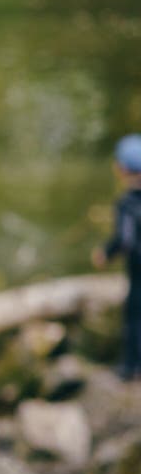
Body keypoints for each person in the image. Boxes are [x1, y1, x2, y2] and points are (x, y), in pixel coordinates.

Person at [93, 133, 141, 381]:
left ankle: (131, 366)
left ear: (121, 169)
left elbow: (125, 239)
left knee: (134, 315)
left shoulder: (126, 204)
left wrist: (105, 254)